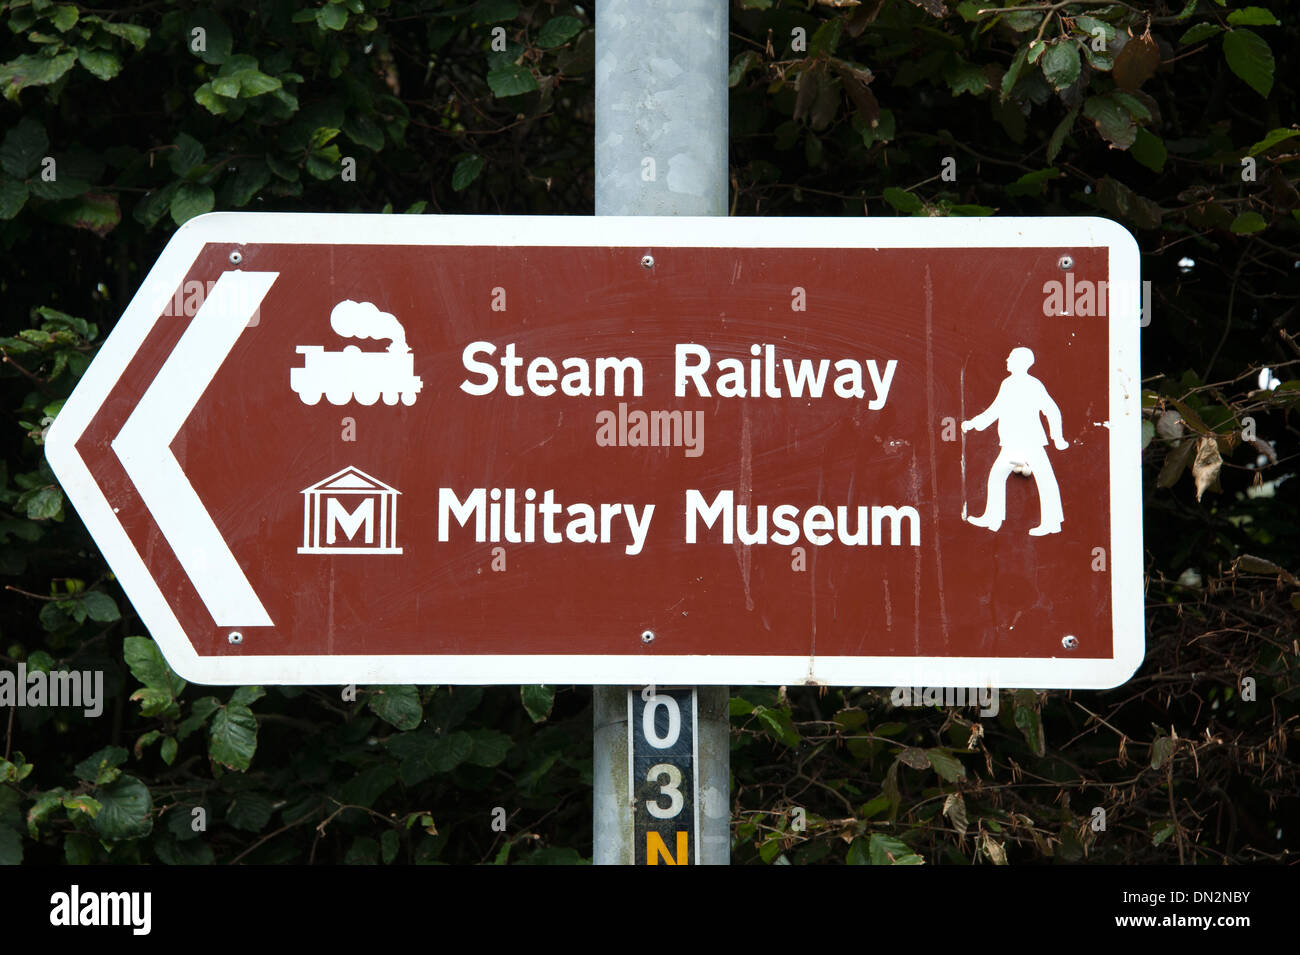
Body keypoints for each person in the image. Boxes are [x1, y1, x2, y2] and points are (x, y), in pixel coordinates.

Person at [962, 347, 1068, 536]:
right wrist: (973, 424)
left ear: (1020, 362)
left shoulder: (1033, 385)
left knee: (1045, 479)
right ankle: (992, 519)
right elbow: (995, 409)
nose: (1007, 360)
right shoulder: (1007, 384)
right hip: (1011, 441)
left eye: (1010, 358)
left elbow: (1051, 409)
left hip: (1031, 440)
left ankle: (1051, 523)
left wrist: (1057, 437)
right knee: (996, 476)